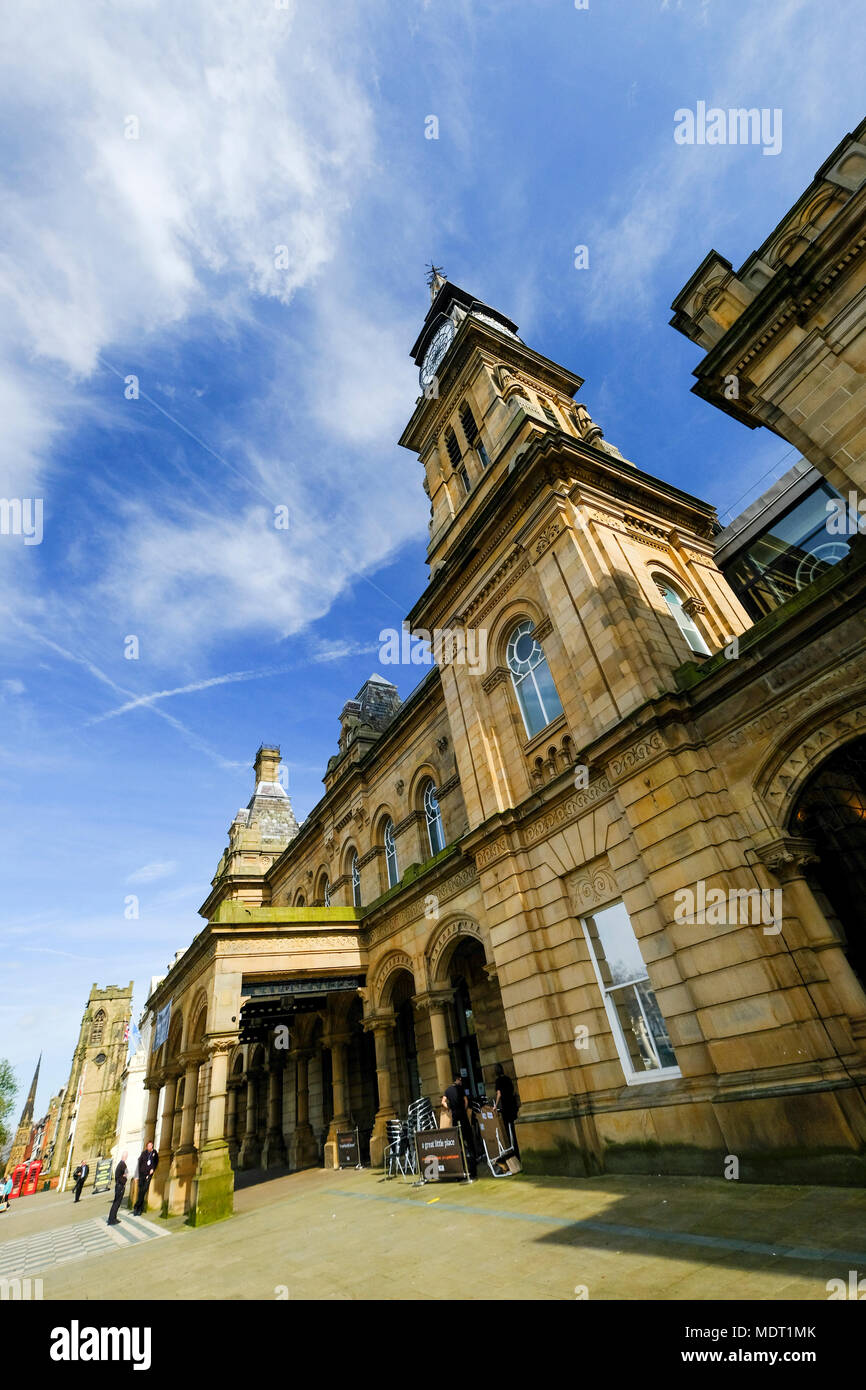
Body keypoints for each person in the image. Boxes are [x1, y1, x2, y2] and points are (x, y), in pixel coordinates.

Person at [442, 1073, 477, 1178]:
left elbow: (443, 1102)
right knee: (469, 1140)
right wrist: (464, 1109)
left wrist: (449, 1108)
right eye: (460, 1080)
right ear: (457, 1080)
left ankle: (462, 1162)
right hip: (463, 1117)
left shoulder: (447, 1090)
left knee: (458, 1141)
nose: (461, 1082)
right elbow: (466, 1100)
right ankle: (473, 1162)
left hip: (455, 1118)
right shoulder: (460, 1088)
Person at [494, 1062, 520, 1157]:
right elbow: (513, 1091)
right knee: (513, 1127)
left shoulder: (498, 1081)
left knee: (507, 1128)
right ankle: (517, 1148)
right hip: (512, 1105)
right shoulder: (508, 1079)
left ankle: (512, 1149)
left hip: (505, 1106)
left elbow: (499, 1094)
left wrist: (495, 1105)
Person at [133, 1141, 159, 1215]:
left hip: (148, 1175)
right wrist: (136, 1176)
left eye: (151, 1146)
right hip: (142, 1174)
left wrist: (153, 1169)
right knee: (140, 1192)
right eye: (148, 1146)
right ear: (146, 1147)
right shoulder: (143, 1153)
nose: (149, 1147)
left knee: (144, 1190)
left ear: (152, 1146)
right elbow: (139, 1164)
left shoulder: (154, 1153)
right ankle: (139, 1209)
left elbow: (156, 1162)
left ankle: (137, 1206)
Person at [107, 1152, 128, 1225]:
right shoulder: (123, 1165)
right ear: (125, 1157)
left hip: (118, 1185)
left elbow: (124, 1174)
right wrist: (125, 1176)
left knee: (116, 1203)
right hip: (120, 1186)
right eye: (126, 1156)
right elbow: (126, 1174)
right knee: (117, 1203)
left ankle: (113, 1218)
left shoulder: (120, 1164)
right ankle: (112, 1219)